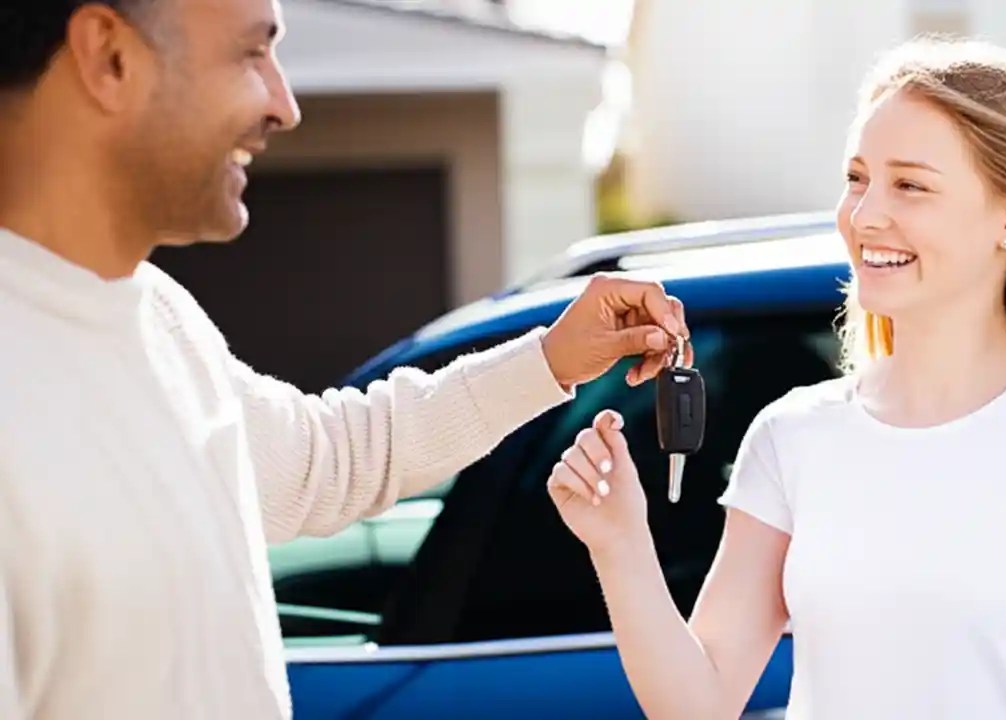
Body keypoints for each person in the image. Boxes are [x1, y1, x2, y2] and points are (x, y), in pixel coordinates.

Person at [0, 0, 691, 717]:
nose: (284, 105)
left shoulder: (160, 320)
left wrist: (552, 359)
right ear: (110, 57)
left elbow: (331, 459)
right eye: (251, 53)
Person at [547, 37, 1006, 719]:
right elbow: (697, 705)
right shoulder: (792, 436)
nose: (865, 215)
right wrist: (620, 543)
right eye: (857, 179)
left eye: (910, 185)